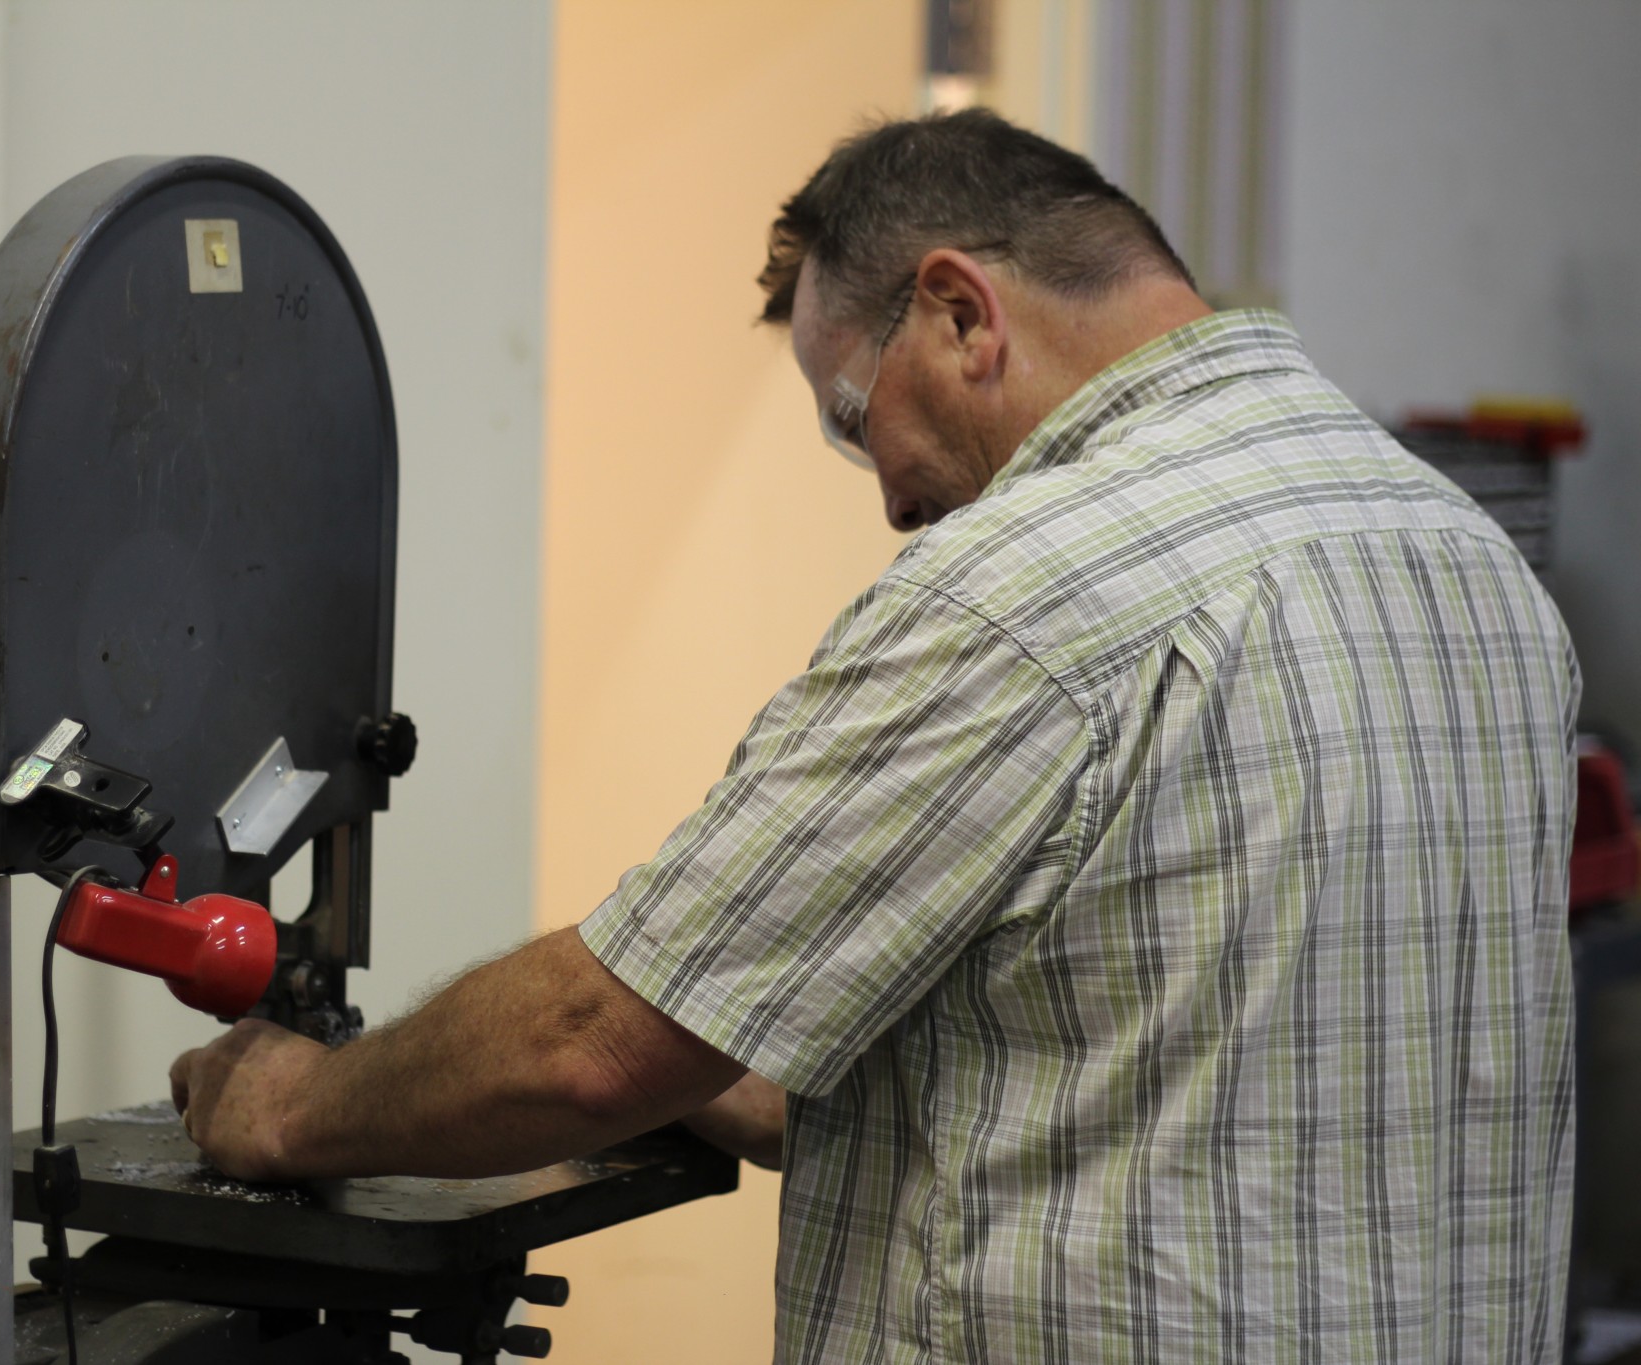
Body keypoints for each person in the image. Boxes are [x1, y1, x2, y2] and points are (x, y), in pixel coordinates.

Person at [172, 109, 1578, 1362]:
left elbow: (593, 1039)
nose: (890, 503)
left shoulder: (1031, 587)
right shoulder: (1464, 559)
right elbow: (1175, 1063)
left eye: (852, 422)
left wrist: (296, 1105)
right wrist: (734, 1037)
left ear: (962, 313)